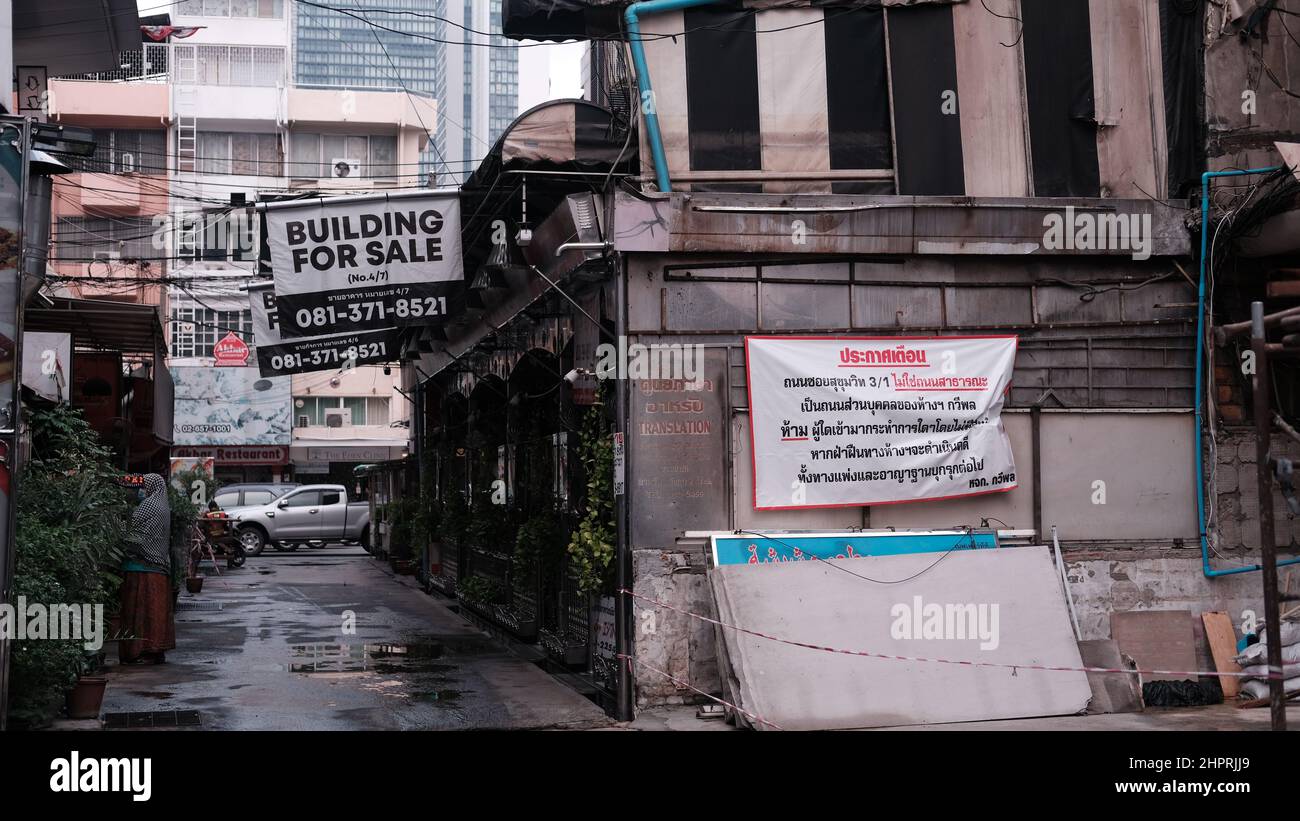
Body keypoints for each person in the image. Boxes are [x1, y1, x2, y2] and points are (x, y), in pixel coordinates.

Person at [119, 474, 175, 664]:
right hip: (160, 567)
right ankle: (156, 649)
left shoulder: (150, 505)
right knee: (156, 613)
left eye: (145, 485)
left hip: (143, 565)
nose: (142, 489)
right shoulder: (164, 506)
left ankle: (139, 650)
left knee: (139, 612)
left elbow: (129, 526)